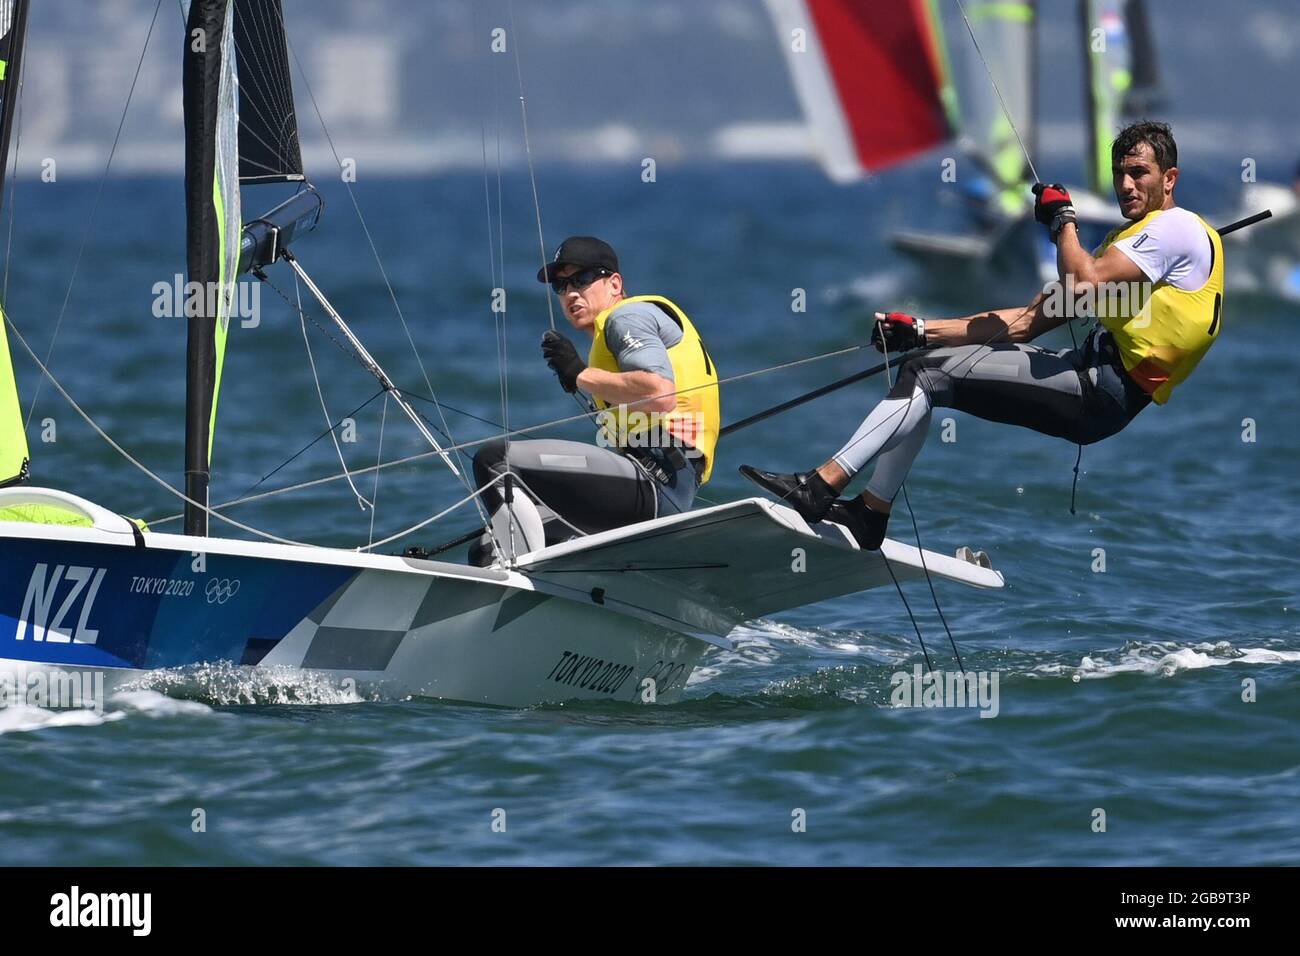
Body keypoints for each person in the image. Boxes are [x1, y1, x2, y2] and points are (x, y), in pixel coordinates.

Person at [740, 121, 1224, 549]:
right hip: (1087, 376)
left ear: (1169, 179)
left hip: (1100, 392)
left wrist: (1063, 221)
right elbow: (1028, 321)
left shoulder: (1176, 229)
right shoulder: (1134, 246)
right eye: (1119, 173)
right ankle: (869, 511)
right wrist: (923, 331)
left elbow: (1083, 282)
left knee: (927, 377)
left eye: (1138, 172)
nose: (1125, 184)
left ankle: (823, 488)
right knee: (922, 369)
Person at [470, 236, 719, 565]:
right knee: (486, 549)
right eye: (561, 286)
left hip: (657, 481)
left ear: (615, 283)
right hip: (668, 484)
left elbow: (660, 394)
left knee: (494, 462)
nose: (571, 293)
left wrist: (580, 374)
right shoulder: (617, 334)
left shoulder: (626, 317)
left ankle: (521, 576)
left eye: (582, 279)